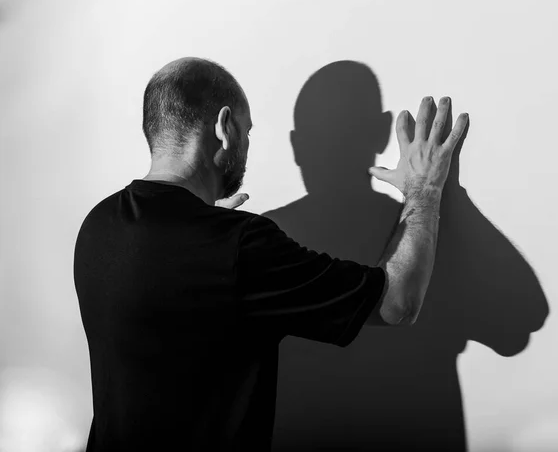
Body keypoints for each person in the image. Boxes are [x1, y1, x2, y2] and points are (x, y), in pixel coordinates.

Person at [73, 57, 469, 451]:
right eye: (247, 131)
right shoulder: (240, 247)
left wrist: (205, 241)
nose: (245, 144)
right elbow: (398, 302)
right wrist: (424, 190)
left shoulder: (98, 225)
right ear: (224, 127)